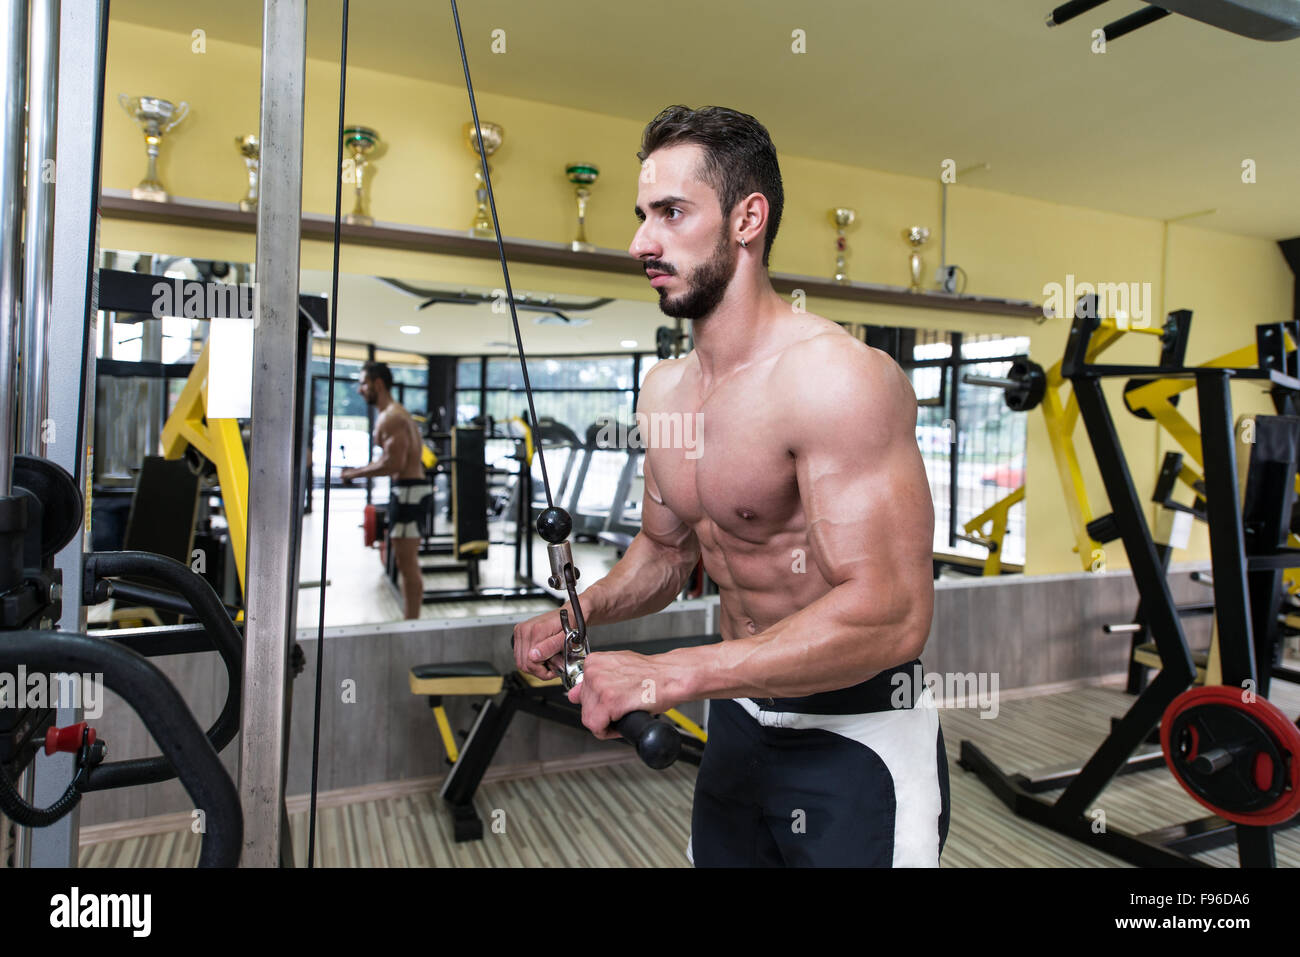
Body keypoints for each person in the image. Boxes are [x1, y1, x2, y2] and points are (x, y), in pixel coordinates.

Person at [512, 105, 950, 867]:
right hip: (739, 728)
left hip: (860, 740)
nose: (641, 242)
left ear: (748, 219)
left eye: (672, 213)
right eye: (642, 215)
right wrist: (584, 611)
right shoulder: (665, 391)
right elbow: (665, 550)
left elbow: (892, 615)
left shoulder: (836, 380)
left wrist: (672, 672)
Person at [341, 361, 429, 620]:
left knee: (407, 562)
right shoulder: (392, 415)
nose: (360, 390)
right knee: (403, 561)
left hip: (409, 492)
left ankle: (411, 624)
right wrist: (355, 471)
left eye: (363, 383)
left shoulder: (392, 417)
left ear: (378, 384)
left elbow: (393, 464)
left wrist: (355, 474)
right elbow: (387, 461)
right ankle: (410, 620)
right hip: (406, 490)